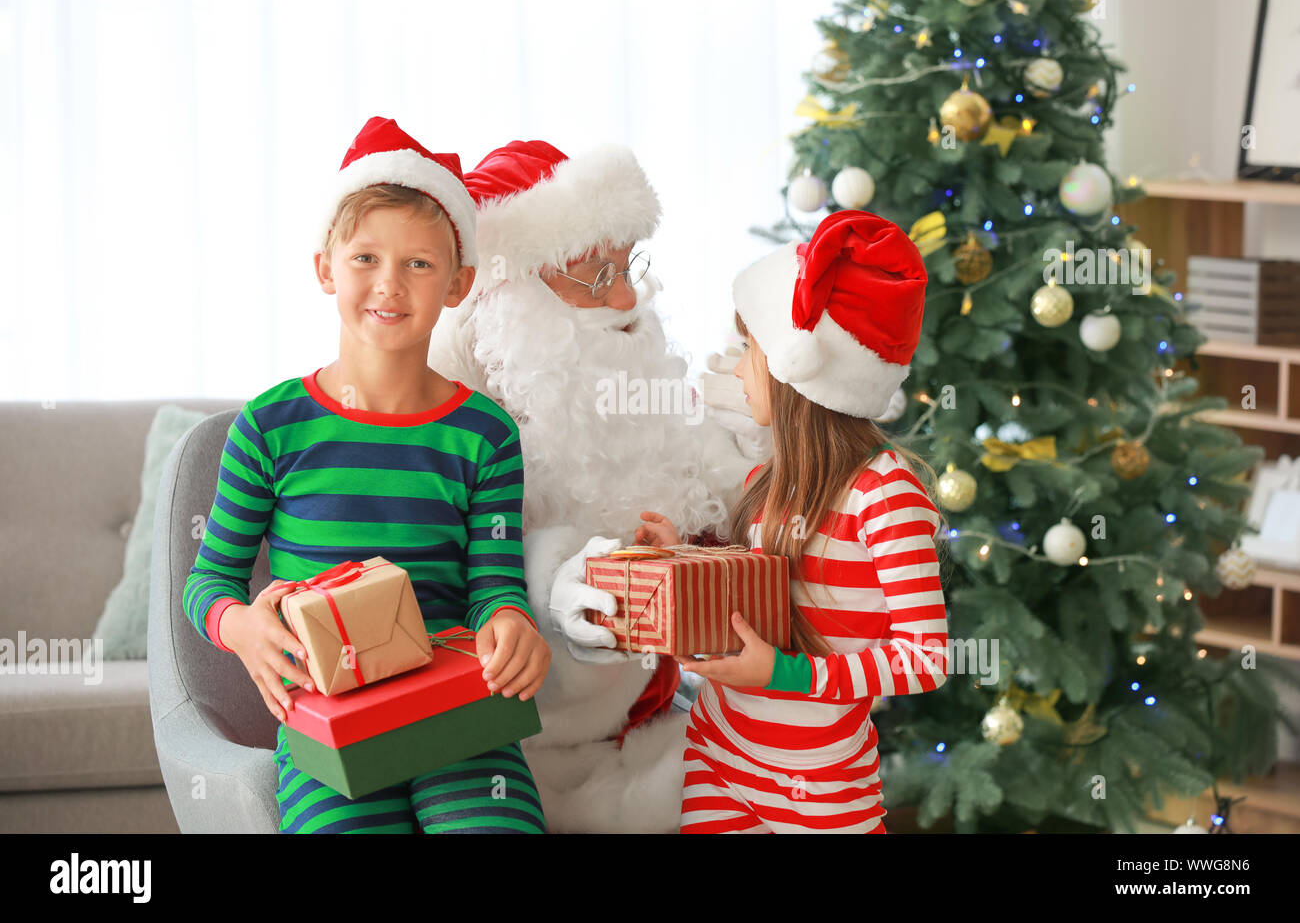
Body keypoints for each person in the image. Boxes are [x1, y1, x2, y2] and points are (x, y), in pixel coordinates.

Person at [182, 116, 550, 833]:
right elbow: (210, 582)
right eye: (365, 259)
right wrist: (244, 629)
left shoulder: (485, 435)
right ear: (325, 268)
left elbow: (494, 587)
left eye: (419, 263)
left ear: (458, 282)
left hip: (458, 717)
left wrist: (512, 623)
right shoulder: (270, 426)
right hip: (328, 725)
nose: (390, 284)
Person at [429, 139, 768, 832]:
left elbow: (742, 499)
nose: (624, 300)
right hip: (519, 750)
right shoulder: (457, 435)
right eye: (594, 277)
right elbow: (451, 587)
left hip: (654, 724)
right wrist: (554, 579)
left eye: (628, 267)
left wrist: (771, 435)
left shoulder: (647, 403)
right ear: (511, 298)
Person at [637, 209, 951, 833]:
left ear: (797, 367)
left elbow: (926, 657)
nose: (733, 367)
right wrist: (685, 560)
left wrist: (783, 674)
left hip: (822, 787)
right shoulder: (766, 481)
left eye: (747, 349)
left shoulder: (883, 493)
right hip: (719, 754)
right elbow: (753, 594)